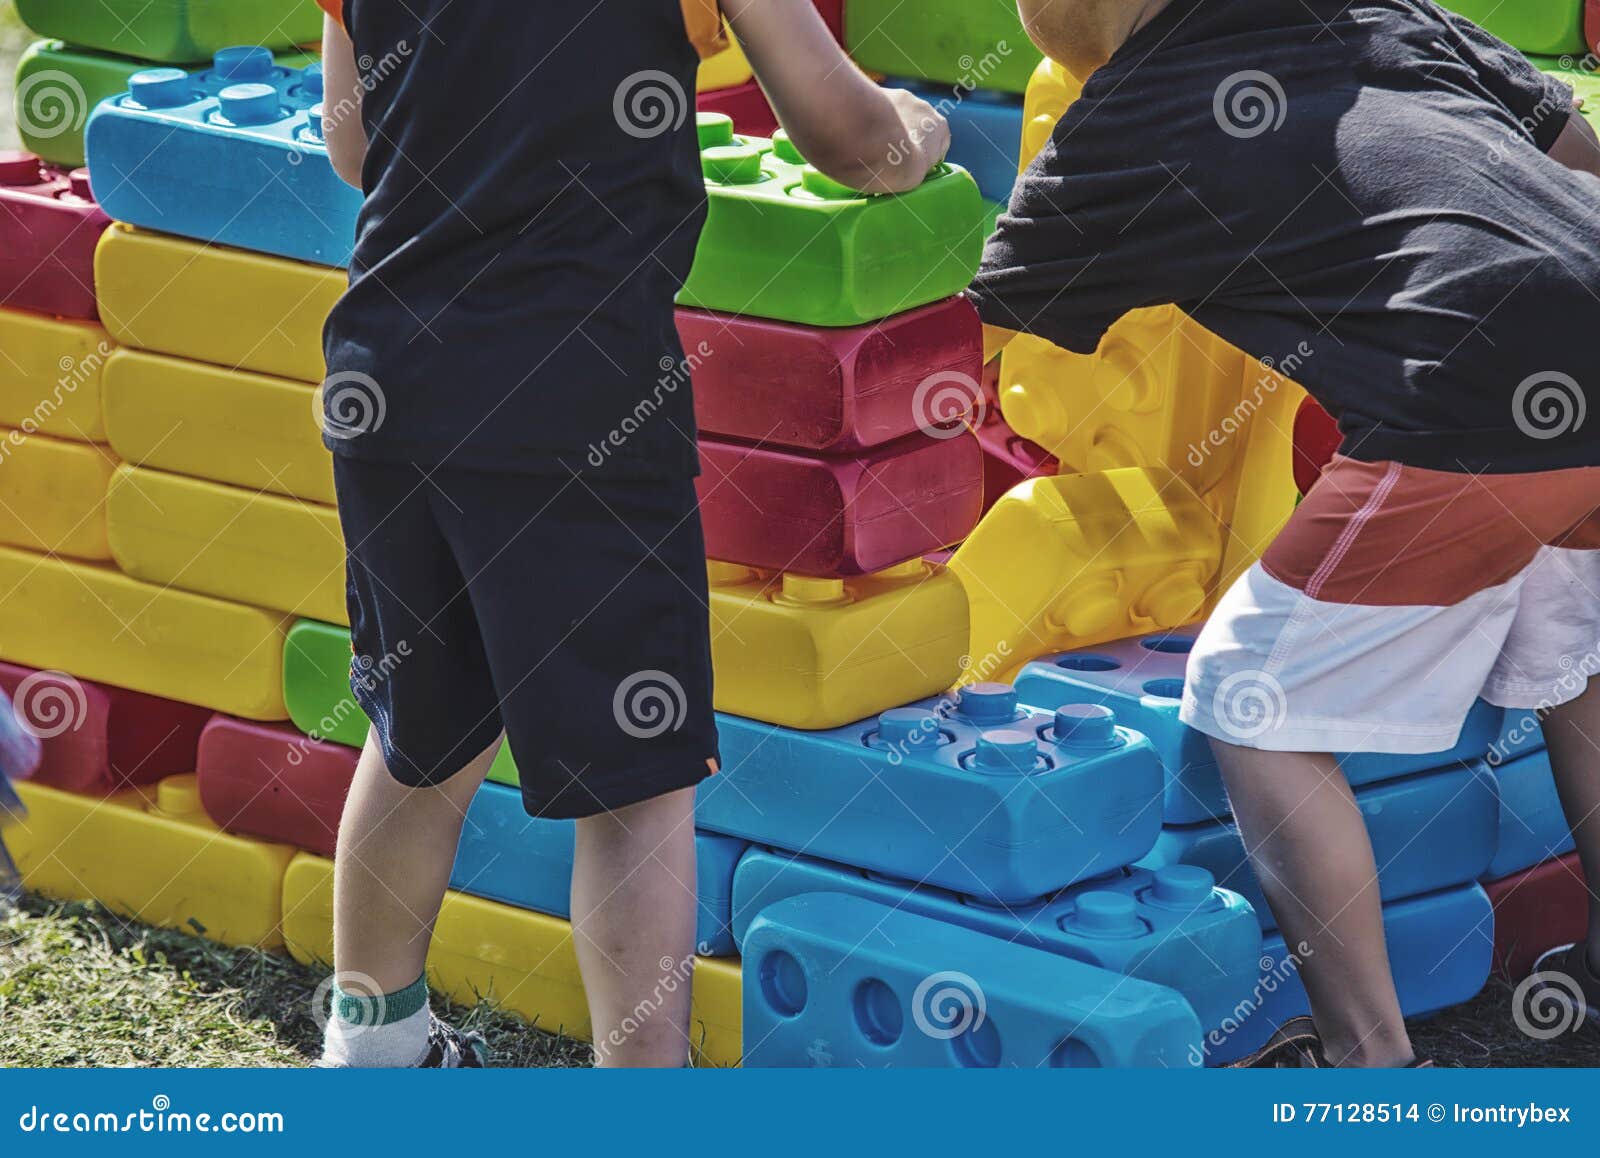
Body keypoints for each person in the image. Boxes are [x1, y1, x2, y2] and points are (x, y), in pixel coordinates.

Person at [309, 0, 949, 1068]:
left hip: (389, 379)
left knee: (417, 733)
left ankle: (371, 1055)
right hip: (578, 402)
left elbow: (352, 141)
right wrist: (918, 128)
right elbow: (852, 143)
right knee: (637, 787)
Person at [971, 0, 1600, 1066]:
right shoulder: (1372, 10)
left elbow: (956, 334)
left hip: (1471, 387)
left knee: (1248, 693)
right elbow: (1583, 161)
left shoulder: (1117, 124)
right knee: (1573, 661)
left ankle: (1368, 1062)